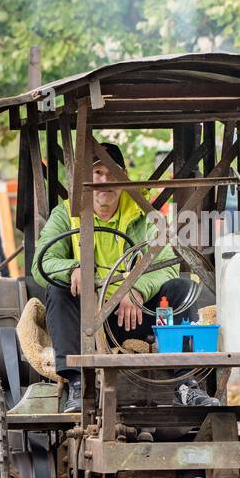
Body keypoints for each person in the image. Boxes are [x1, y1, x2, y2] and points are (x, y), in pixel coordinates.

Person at [32, 141, 218, 413]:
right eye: (97, 173)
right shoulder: (66, 214)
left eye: (111, 173)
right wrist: (73, 268)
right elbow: (42, 264)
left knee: (181, 288)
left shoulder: (144, 214)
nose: (104, 181)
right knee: (57, 290)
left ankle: (185, 384)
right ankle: (75, 384)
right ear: (84, 178)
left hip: (135, 316)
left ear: (123, 178)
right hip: (87, 322)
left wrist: (136, 289)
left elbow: (167, 263)